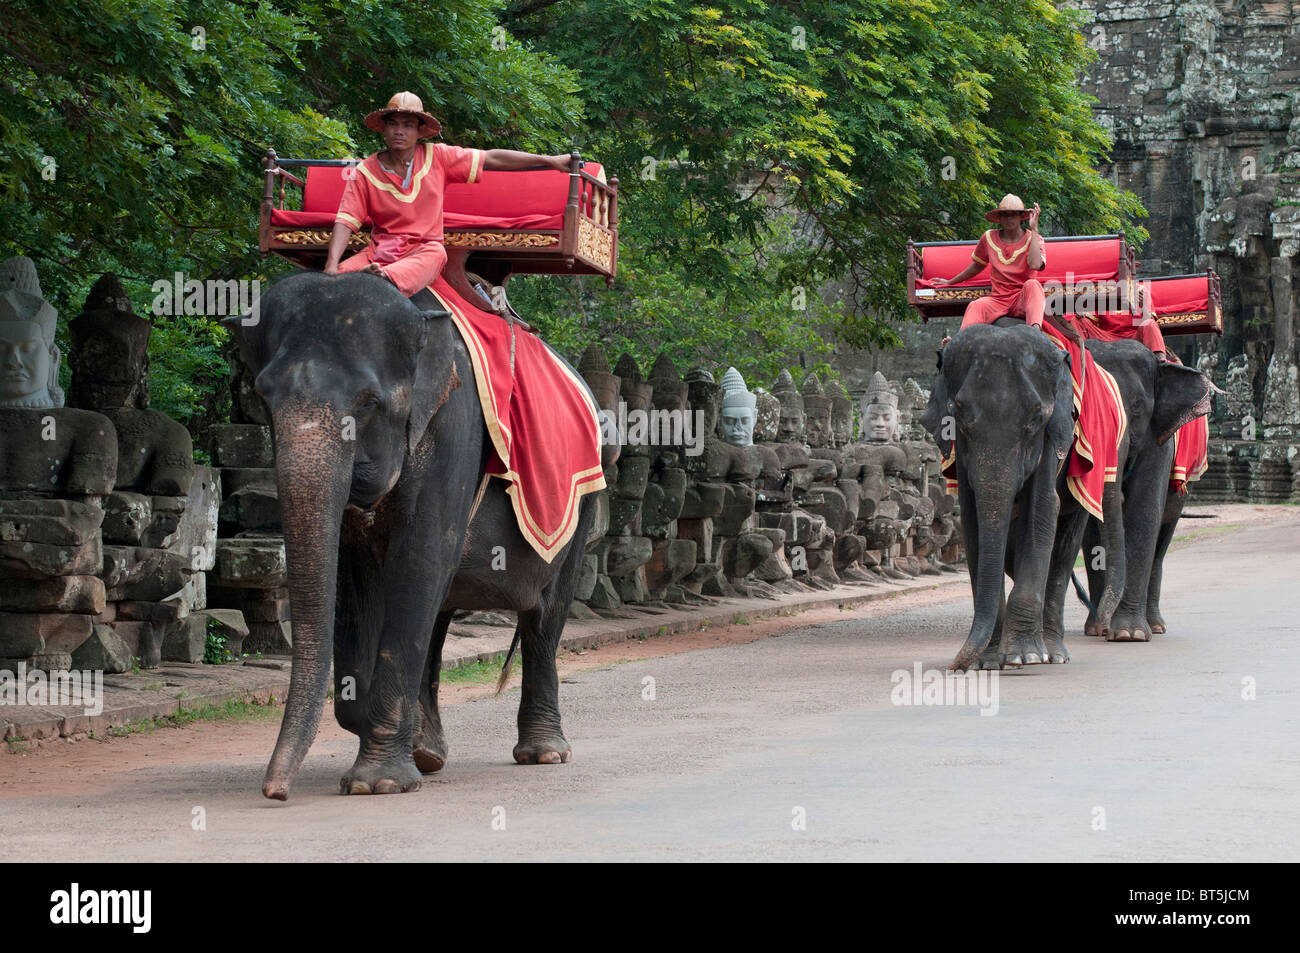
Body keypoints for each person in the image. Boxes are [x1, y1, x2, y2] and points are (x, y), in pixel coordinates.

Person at [323, 91, 573, 299]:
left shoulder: (438, 157)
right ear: (384, 129)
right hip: (377, 253)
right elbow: (346, 221)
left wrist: (549, 160)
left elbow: (492, 158)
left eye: (407, 125)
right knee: (328, 286)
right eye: (393, 124)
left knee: (436, 253)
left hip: (423, 251)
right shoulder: (365, 170)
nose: (399, 131)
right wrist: (332, 266)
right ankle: (365, 277)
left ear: (420, 131)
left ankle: (384, 279)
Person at [934, 194, 1047, 339]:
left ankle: (1035, 334)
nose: (1009, 219)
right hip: (997, 300)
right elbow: (977, 265)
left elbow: (1035, 264)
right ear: (999, 218)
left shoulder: (1034, 238)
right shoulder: (988, 237)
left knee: (1033, 285)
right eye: (1005, 215)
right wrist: (950, 282)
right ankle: (958, 342)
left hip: (1021, 299)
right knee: (976, 305)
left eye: (1013, 214)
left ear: (1021, 217)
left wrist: (1035, 229)